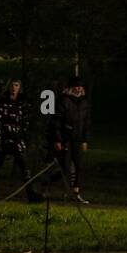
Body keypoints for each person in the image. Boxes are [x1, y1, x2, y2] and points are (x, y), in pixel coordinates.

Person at [0, 77, 42, 203]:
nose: (14, 88)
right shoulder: (1, 103)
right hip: (4, 139)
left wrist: (23, 136)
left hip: (17, 139)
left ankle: (30, 194)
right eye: (12, 85)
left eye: (16, 85)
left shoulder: (23, 104)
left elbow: (26, 122)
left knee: (25, 167)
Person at [49, 75, 92, 204]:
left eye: (80, 86)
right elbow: (57, 121)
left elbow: (86, 123)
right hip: (66, 139)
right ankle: (61, 190)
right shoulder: (63, 101)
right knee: (65, 167)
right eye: (76, 86)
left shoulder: (84, 103)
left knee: (79, 166)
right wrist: (58, 140)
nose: (78, 89)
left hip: (78, 140)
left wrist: (85, 140)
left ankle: (76, 193)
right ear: (71, 88)